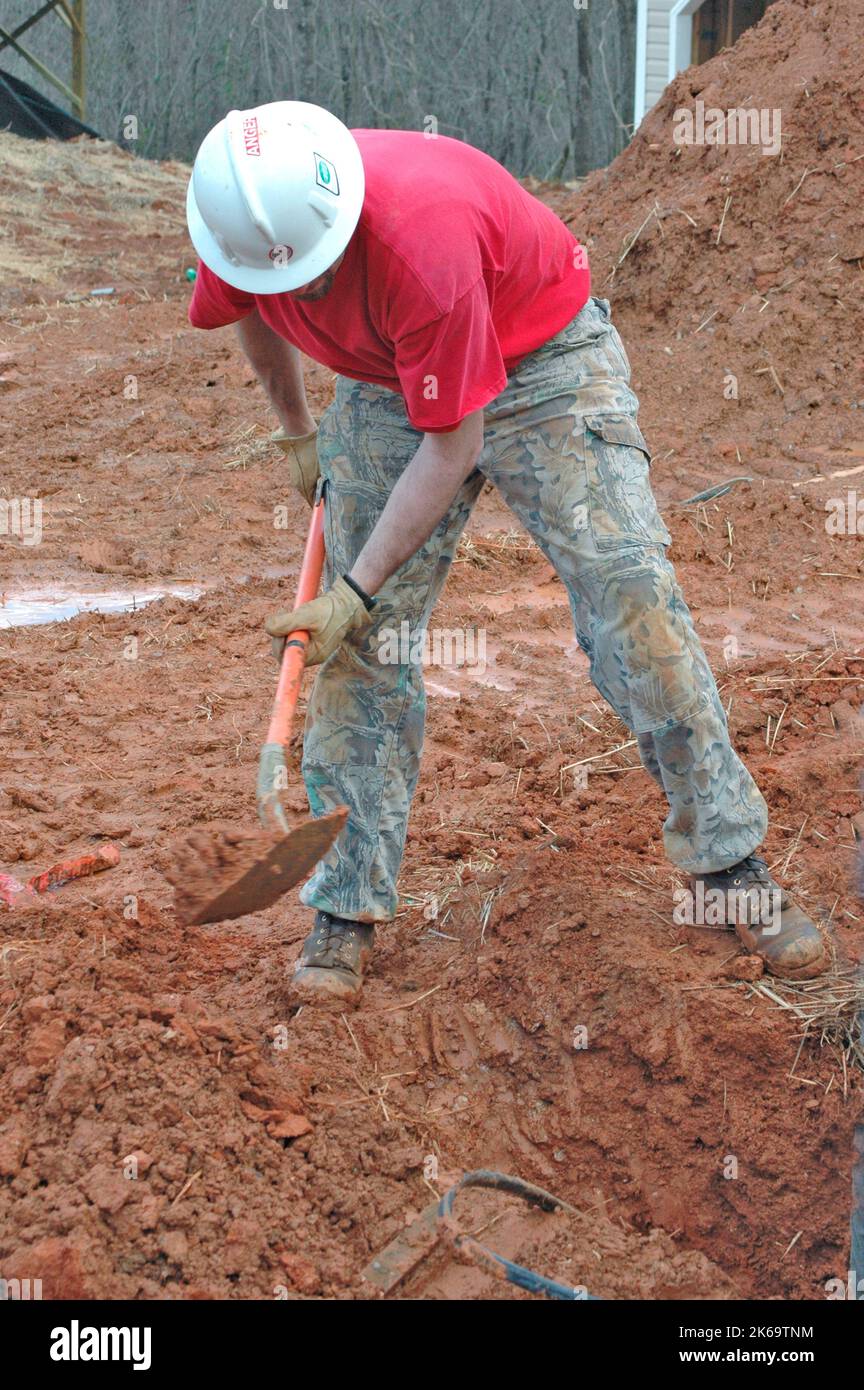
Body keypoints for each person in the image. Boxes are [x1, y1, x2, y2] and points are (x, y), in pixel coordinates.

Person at [186, 100, 826, 1000]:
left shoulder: (420, 241)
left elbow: (455, 445)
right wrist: (298, 433)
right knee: (360, 653)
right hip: (385, 378)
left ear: (335, 233)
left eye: (314, 280)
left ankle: (728, 862)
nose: (298, 294)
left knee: (630, 597)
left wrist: (356, 590)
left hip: (545, 359)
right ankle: (347, 900)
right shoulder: (245, 226)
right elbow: (247, 307)